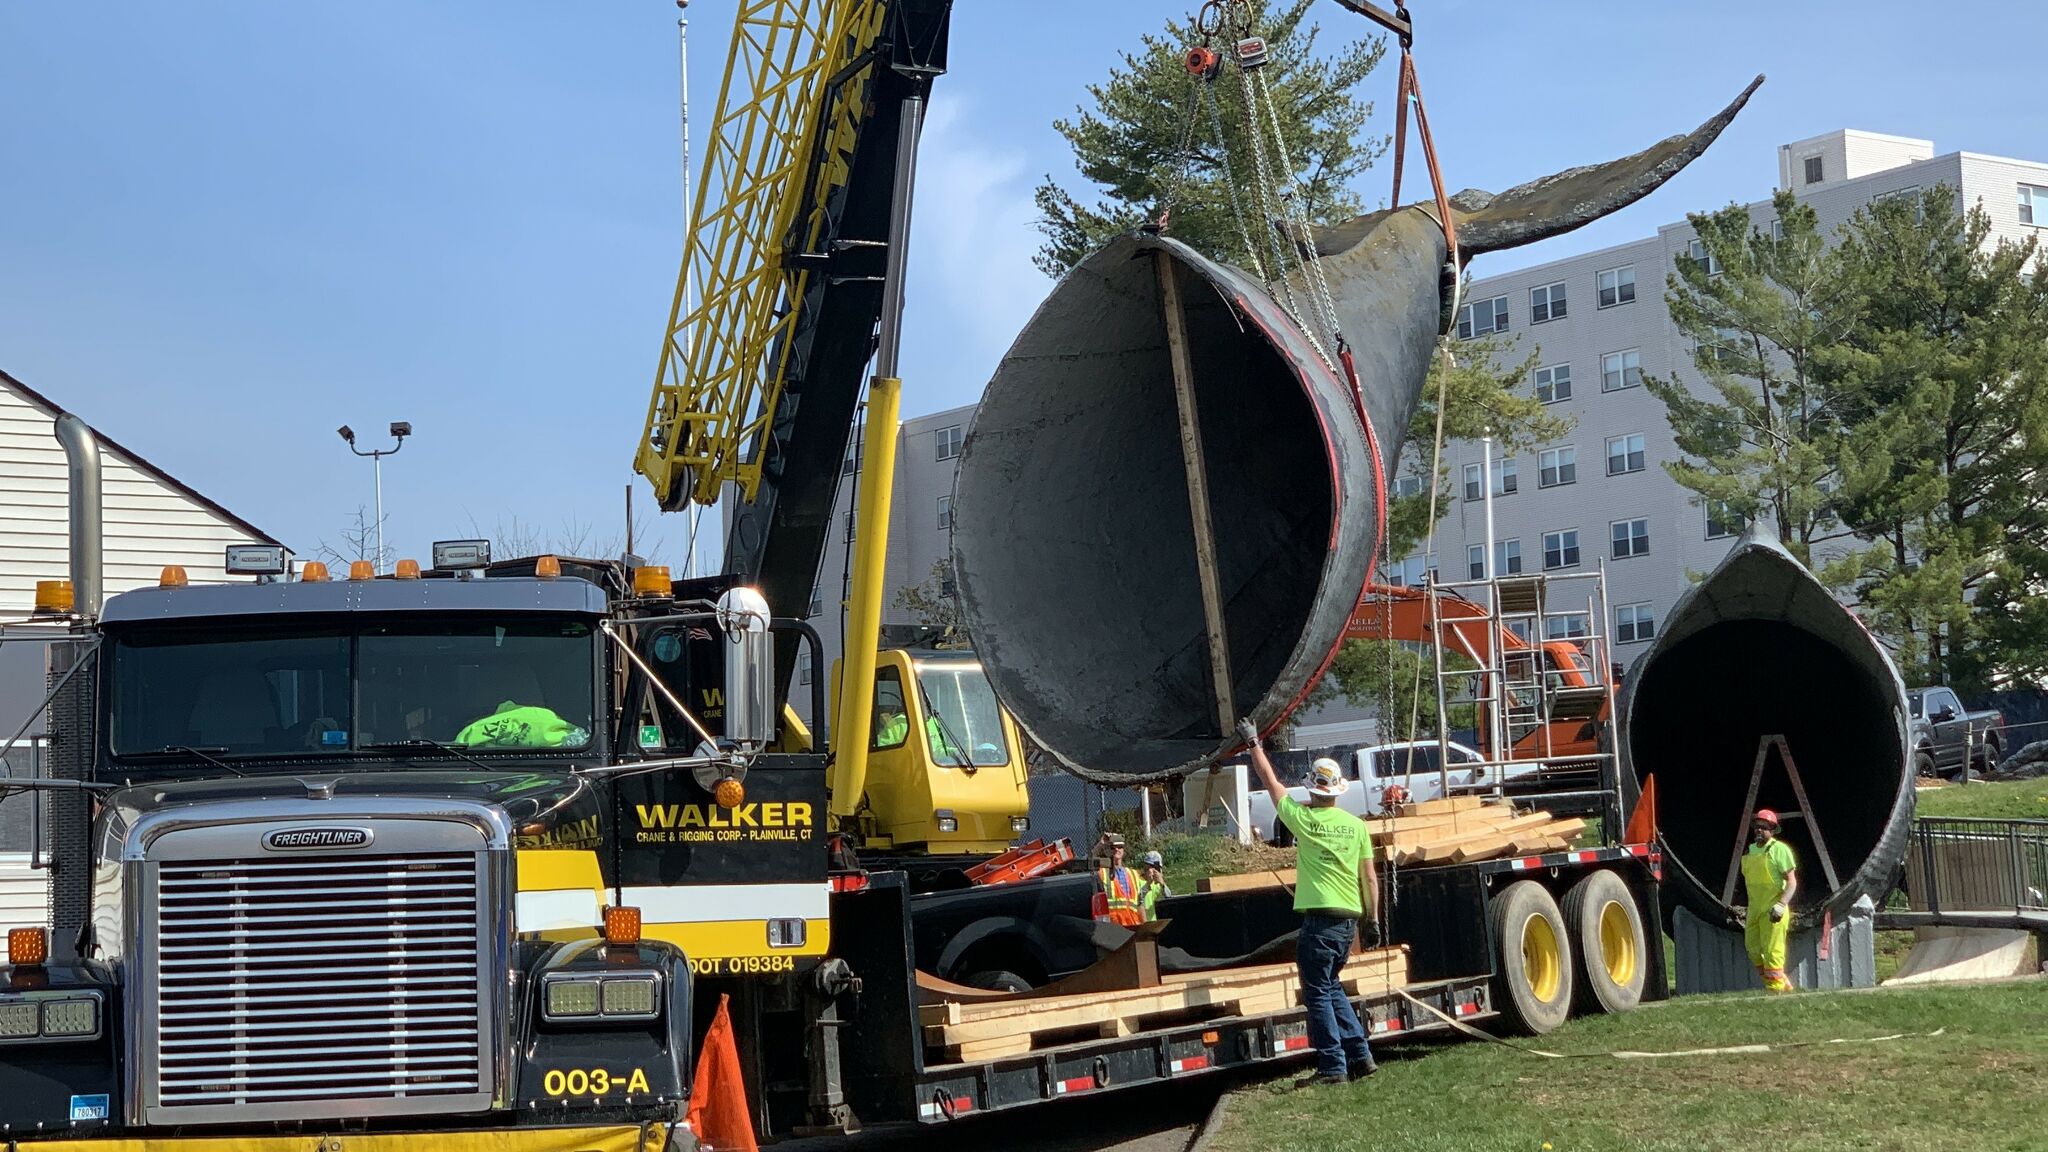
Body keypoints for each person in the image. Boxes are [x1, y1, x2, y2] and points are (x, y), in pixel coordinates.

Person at [1238, 718, 1378, 1086]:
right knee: (1331, 985)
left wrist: (1254, 743)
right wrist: (1373, 921)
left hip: (1320, 922)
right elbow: (1371, 878)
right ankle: (1360, 1055)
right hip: (1349, 921)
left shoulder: (1303, 821)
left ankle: (1333, 1067)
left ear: (1312, 789)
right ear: (1337, 791)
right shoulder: (1357, 826)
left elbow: (1271, 783)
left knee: (1316, 991)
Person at [1741, 808, 1799, 992]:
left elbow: (1792, 882)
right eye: (1757, 827)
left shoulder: (1780, 850)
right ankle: (1782, 984)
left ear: (1772, 830)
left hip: (1773, 908)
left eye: (1764, 827)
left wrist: (1781, 904)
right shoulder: (1750, 850)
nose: (1759, 830)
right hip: (1755, 908)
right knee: (1753, 949)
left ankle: (1775, 991)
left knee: (1773, 951)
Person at [1092, 834, 1143, 926]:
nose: (1116, 850)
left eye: (1120, 847)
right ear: (1108, 850)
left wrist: (1145, 927)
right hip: (1113, 927)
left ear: (1123, 850)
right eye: (1112, 847)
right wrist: (1101, 844)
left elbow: (1140, 904)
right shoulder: (1102, 872)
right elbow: (1088, 862)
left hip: (1133, 926)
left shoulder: (1133, 874)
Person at [1137, 850, 1172, 922]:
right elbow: (1138, 899)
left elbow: (1169, 897)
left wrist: (1162, 884)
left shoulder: (1156, 884)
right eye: (1151, 867)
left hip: (1153, 922)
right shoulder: (1137, 880)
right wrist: (1148, 884)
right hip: (1140, 922)